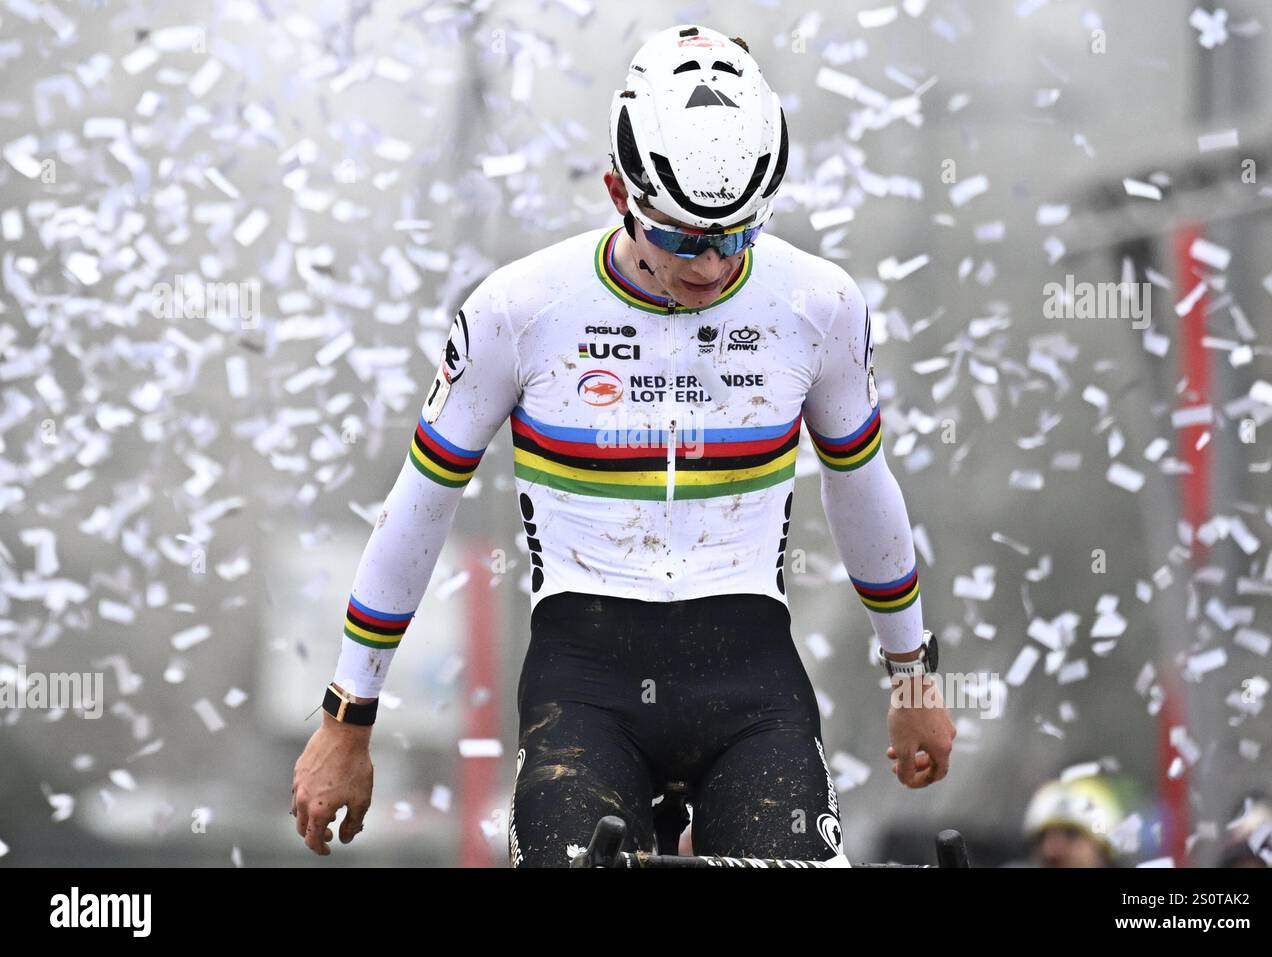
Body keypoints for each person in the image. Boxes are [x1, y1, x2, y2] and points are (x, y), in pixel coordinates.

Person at [292, 23, 954, 867]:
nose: (712, 266)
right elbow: (420, 507)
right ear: (617, 191)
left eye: (736, 234)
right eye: (683, 236)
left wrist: (915, 678)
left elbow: (863, 491)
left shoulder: (818, 304)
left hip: (752, 692)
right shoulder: (520, 308)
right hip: (585, 697)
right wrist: (346, 719)